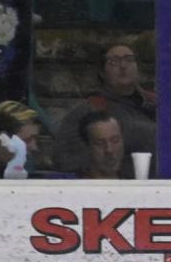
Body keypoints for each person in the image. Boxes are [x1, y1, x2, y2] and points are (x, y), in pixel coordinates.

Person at [53, 44, 158, 176]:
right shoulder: (89, 109)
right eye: (113, 61)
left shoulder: (157, 104)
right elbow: (64, 158)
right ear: (102, 72)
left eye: (129, 59)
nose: (123, 66)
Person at [77, 111, 132, 180]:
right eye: (100, 143)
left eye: (115, 141)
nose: (109, 150)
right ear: (87, 146)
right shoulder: (68, 184)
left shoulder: (134, 186)